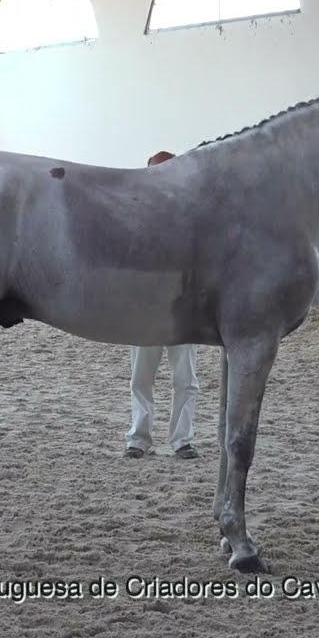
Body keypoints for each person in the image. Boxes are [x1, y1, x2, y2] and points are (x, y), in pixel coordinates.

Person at [124, 150, 200, 460]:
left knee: (186, 379)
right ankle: (138, 438)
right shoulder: (135, 214)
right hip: (145, 309)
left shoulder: (191, 214)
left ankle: (182, 440)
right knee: (141, 377)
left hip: (183, 309)